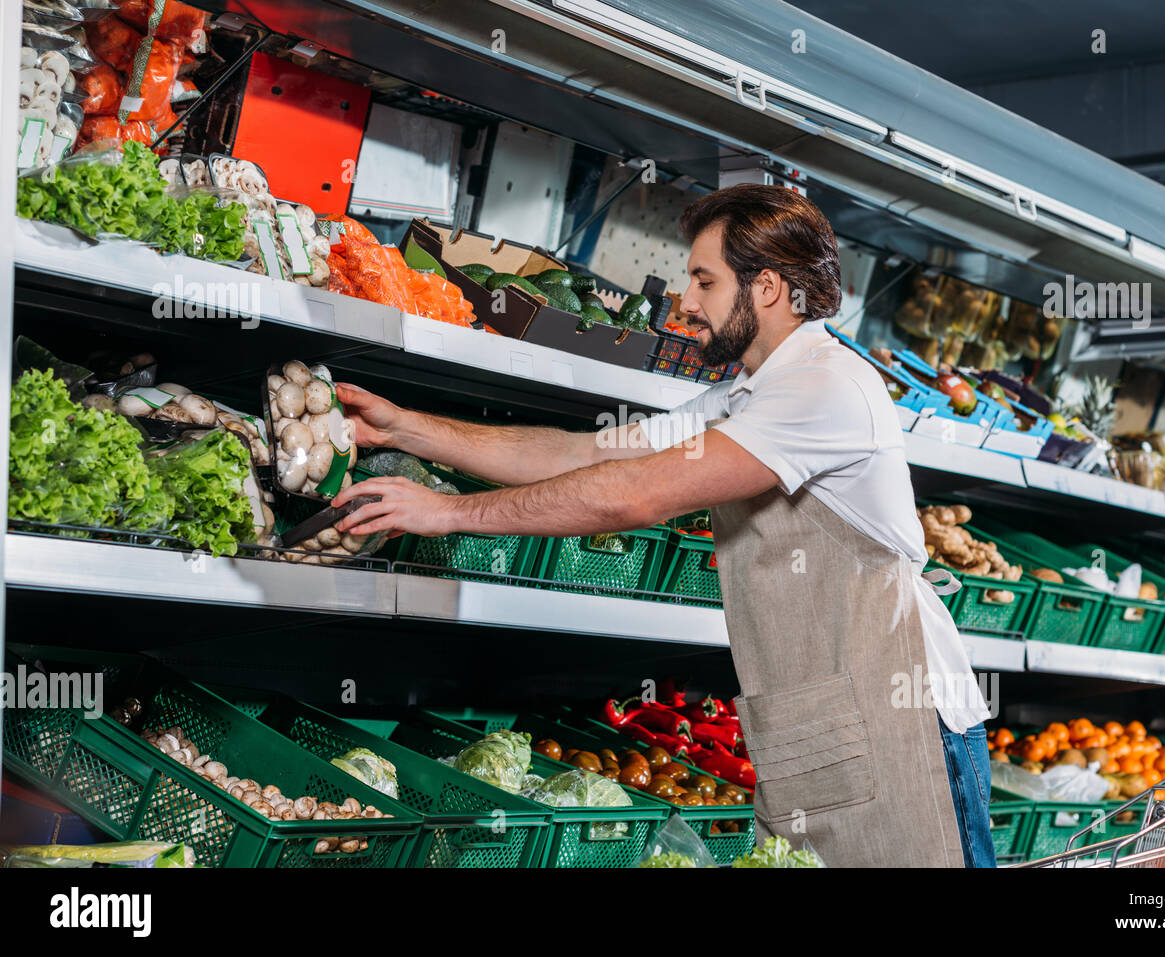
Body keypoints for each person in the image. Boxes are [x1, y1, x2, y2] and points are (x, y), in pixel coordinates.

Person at [332, 184, 996, 867]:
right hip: (824, 734)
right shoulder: (743, 398)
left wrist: (449, 512)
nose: (685, 300)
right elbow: (584, 452)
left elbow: (635, 495)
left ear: (766, 287)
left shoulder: (824, 388)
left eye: (704, 280)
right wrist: (412, 429)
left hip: (904, 724)